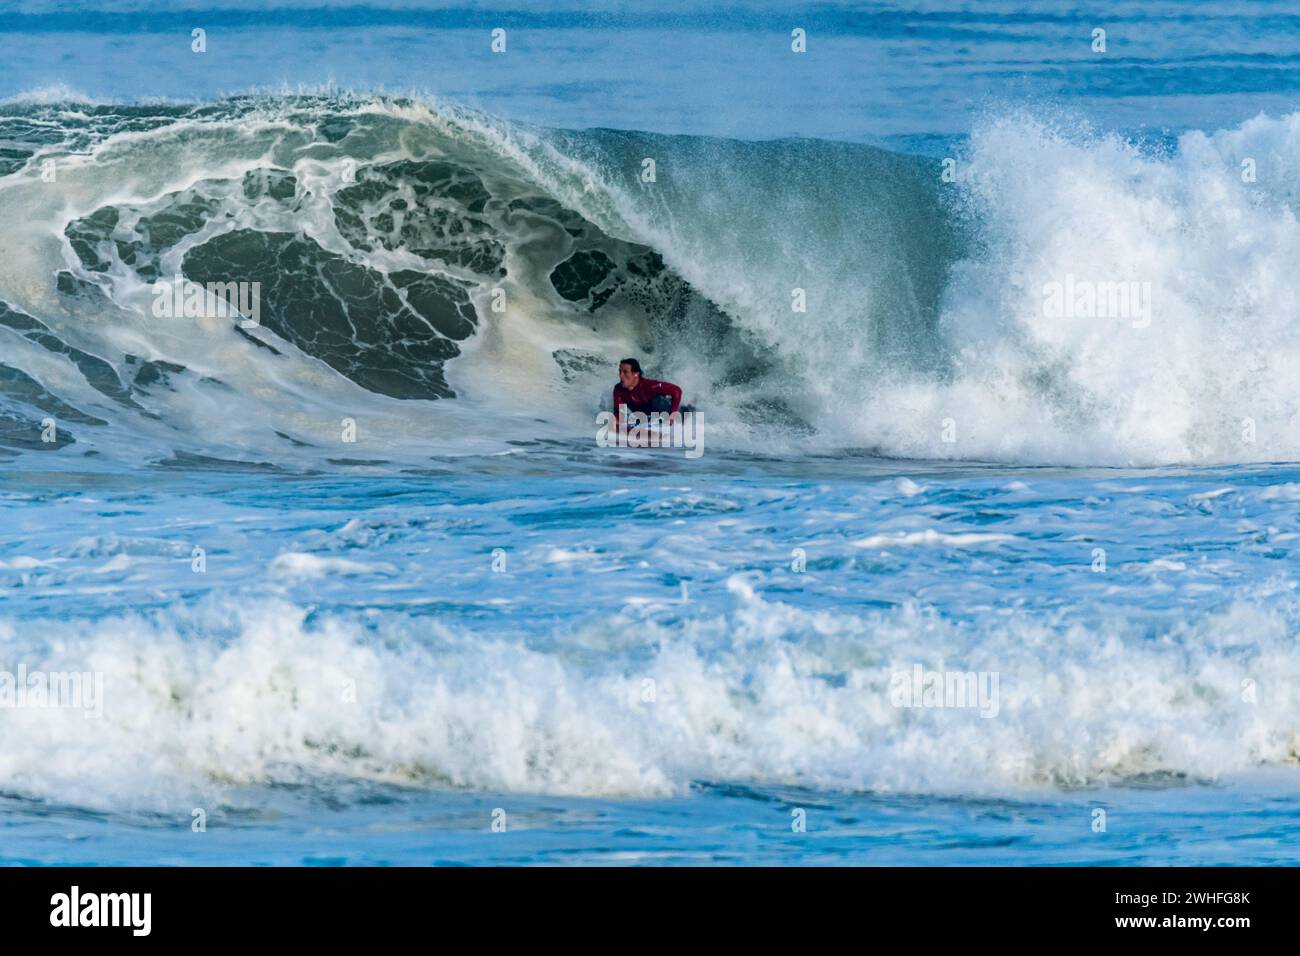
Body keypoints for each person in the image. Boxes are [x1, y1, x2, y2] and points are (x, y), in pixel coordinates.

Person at [611, 358, 683, 427]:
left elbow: (677, 390)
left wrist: (673, 414)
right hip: (648, 418)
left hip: (672, 412)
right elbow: (619, 411)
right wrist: (616, 420)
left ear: (636, 374)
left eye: (625, 372)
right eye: (620, 371)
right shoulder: (618, 390)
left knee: (657, 402)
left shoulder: (649, 386)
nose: (621, 375)